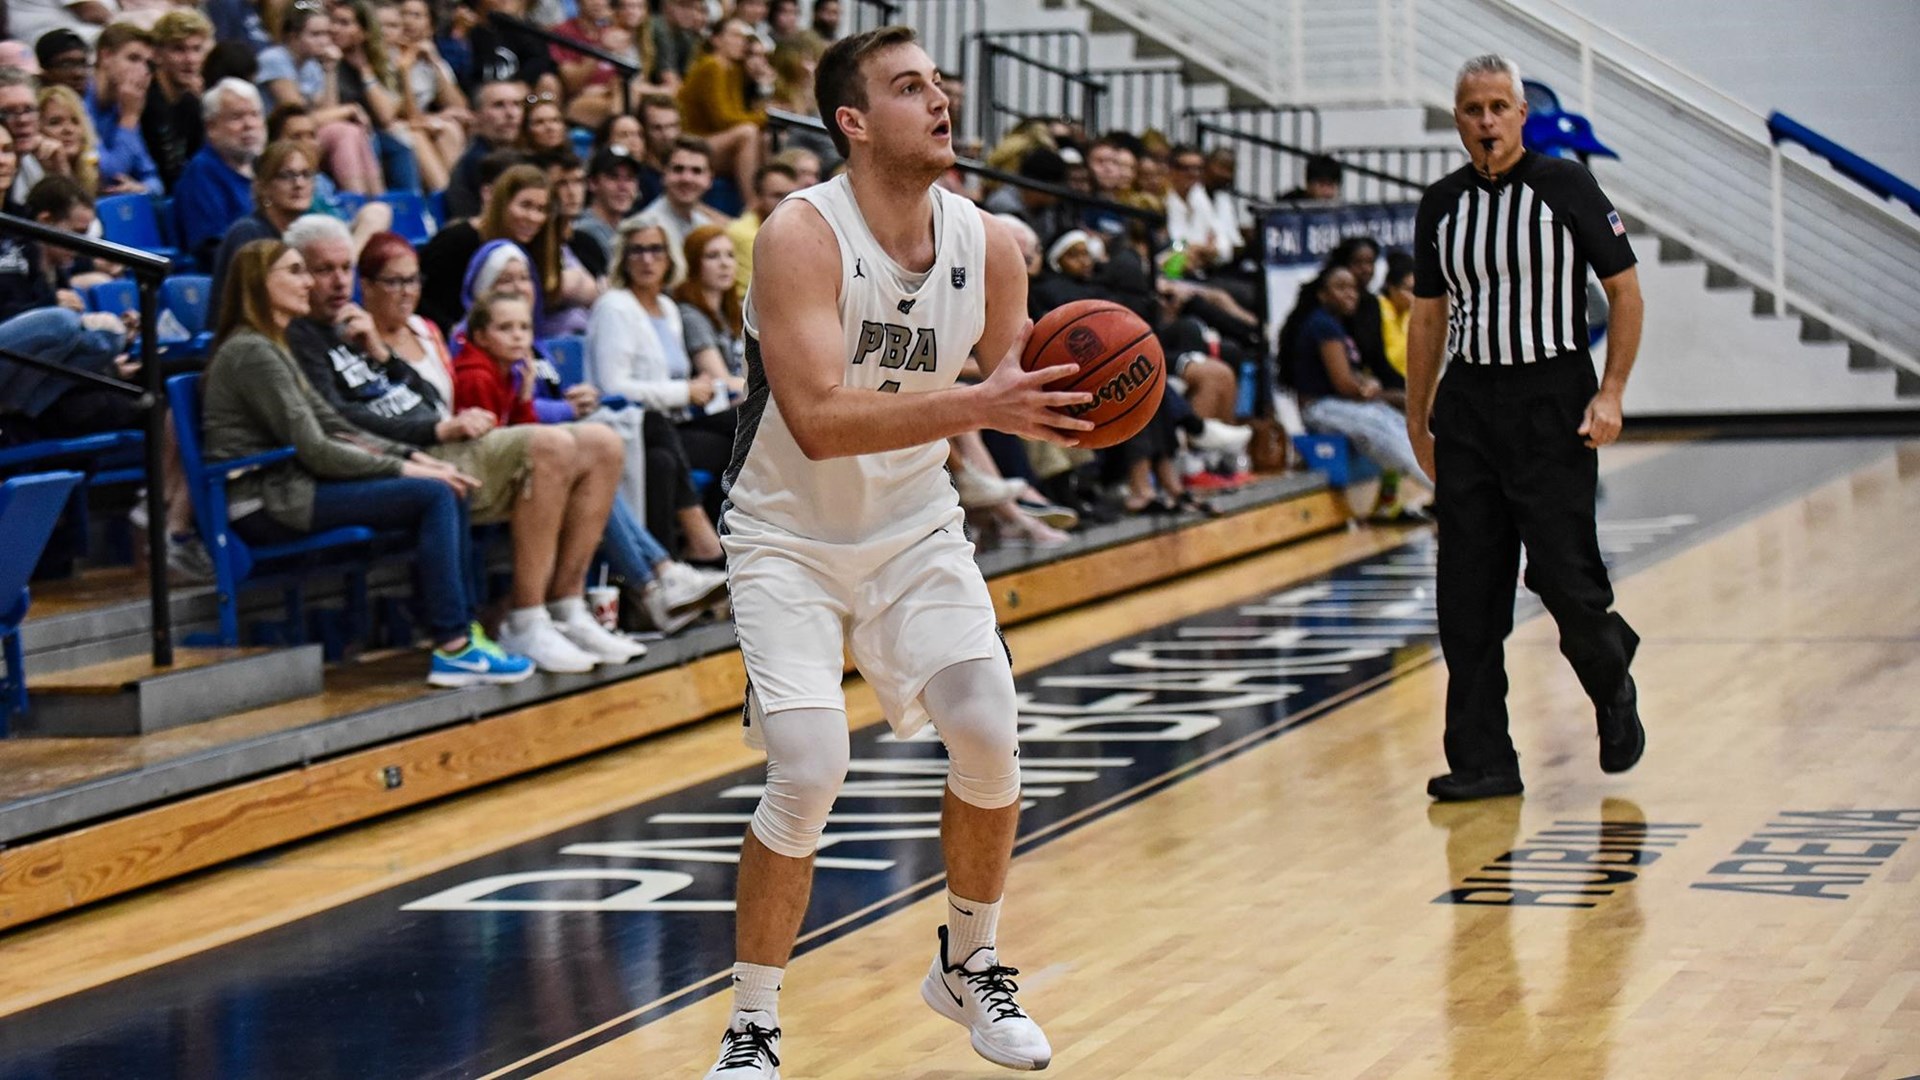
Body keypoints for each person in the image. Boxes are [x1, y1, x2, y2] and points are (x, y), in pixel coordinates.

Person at [696, 25, 1085, 1079]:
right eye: (910, 88)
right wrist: (985, 400)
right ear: (853, 122)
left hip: (914, 527)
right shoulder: (799, 236)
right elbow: (818, 418)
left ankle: (971, 964)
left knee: (990, 729)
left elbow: (1015, 383)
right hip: (786, 535)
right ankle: (753, 1022)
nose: (940, 100)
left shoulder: (993, 244)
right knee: (812, 769)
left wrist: (1081, 397)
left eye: (940, 84)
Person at [1404, 54, 1647, 802]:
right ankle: (1483, 760)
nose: (1486, 121)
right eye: (1472, 109)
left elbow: (1626, 293)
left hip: (1553, 396)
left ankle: (1611, 680)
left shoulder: (1567, 186)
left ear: (1520, 114)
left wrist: (1610, 394)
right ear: (1458, 120)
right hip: (1472, 403)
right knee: (1467, 590)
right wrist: (1418, 416)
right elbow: (1428, 316)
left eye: (1498, 107)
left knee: (1565, 579)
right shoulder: (1440, 205)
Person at [285, 218, 643, 671]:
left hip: (438, 439)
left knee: (603, 443)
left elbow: (430, 398)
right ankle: (526, 617)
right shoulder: (299, 338)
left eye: (343, 268)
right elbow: (339, 421)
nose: (338, 281)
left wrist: (380, 354)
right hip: (411, 455)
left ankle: (567, 607)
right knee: (551, 445)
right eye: (322, 270)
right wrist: (435, 431)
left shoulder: (355, 330)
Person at [200, 237, 536, 688]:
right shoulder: (252, 351)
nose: (309, 283)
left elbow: (335, 424)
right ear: (261, 284)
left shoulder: (272, 346)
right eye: (296, 272)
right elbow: (316, 448)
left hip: (292, 486)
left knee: (443, 484)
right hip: (264, 501)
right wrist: (407, 470)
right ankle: (454, 645)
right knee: (433, 494)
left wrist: (416, 456)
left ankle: (464, 633)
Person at [1289, 264, 1430, 523]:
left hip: (1338, 405)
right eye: (1340, 288)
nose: (1350, 294)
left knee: (1397, 426)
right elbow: (1344, 384)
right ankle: (1444, 493)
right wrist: (1370, 391)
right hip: (1321, 409)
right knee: (1384, 434)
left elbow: (1354, 378)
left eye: (1352, 288)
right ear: (1322, 295)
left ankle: (1388, 504)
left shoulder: (1337, 325)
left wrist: (1369, 386)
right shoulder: (1322, 326)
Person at [175, 78, 268, 270]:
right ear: (211, 127)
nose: (249, 124)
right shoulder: (202, 173)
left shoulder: (263, 168)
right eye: (237, 117)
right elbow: (211, 249)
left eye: (255, 115)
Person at [676, 19, 764, 196]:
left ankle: (765, 194)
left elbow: (737, 113)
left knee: (764, 137)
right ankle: (752, 202)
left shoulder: (732, 70)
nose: (741, 42)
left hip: (712, 140)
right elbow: (723, 119)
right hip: (691, 140)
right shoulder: (712, 65)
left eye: (744, 38)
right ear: (716, 39)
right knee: (747, 132)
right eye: (735, 36)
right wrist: (764, 117)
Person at [85, 21, 162, 193]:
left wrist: (141, 188)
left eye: (148, 64)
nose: (142, 71)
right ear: (105, 56)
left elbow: (154, 180)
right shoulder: (79, 103)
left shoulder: (125, 104)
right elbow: (108, 174)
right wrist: (129, 119)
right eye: (133, 59)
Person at [141, 8, 212, 191]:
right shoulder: (143, 101)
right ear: (157, 54)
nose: (190, 60)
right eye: (178, 49)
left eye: (196, 49)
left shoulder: (191, 103)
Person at [444, 78, 525, 219]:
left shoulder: (520, 154)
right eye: (498, 105)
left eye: (517, 105)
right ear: (476, 115)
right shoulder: (477, 162)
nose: (511, 114)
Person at [639, 134, 729, 252]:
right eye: (678, 169)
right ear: (663, 174)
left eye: (696, 171)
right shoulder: (645, 227)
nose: (686, 178)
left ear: (710, 179)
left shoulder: (705, 226)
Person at [724, 160, 795, 292]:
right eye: (777, 195)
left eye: (790, 195)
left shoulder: (799, 230)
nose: (785, 201)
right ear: (758, 198)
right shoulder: (741, 233)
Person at [575, 143, 643, 270]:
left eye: (629, 178)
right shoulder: (582, 232)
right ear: (593, 183)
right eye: (613, 177)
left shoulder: (635, 228)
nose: (623, 187)